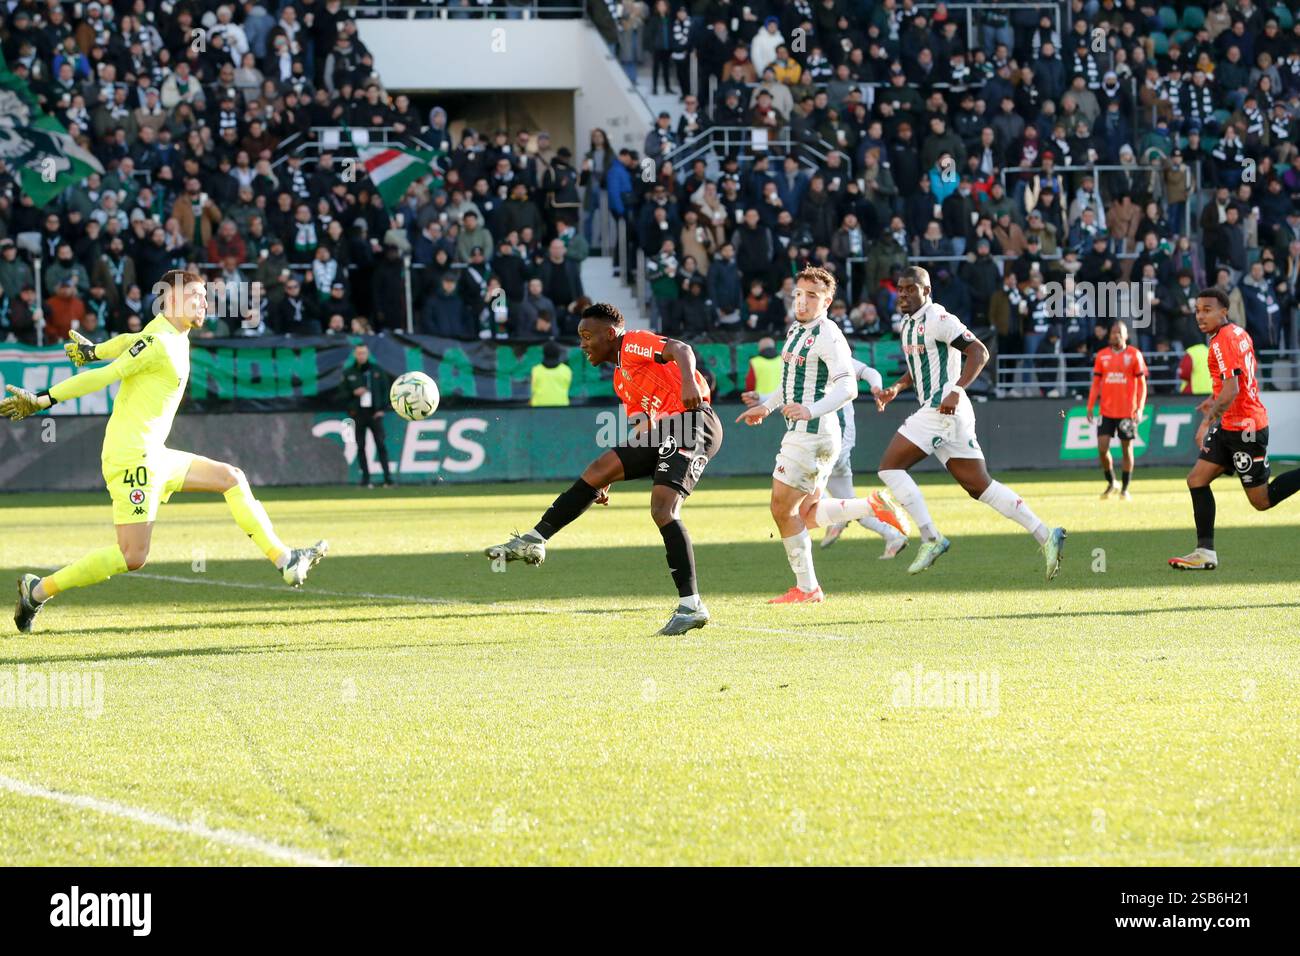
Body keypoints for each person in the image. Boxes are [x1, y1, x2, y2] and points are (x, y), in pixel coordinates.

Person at [2, 270, 328, 634]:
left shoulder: (169, 333)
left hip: (153, 453)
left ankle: (285, 560)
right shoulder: (159, 341)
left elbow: (127, 340)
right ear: (171, 299)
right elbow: (106, 376)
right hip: (132, 458)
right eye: (195, 296)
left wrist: (94, 349)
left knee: (231, 477)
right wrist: (45, 399)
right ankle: (38, 590)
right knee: (133, 557)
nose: (204, 302)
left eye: (205, 296)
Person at [485, 303, 723, 635]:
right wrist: (618, 469)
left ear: (610, 334)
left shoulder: (634, 343)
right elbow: (641, 426)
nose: (582, 344)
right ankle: (535, 539)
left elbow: (680, 349)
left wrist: (688, 383)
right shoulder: (620, 379)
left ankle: (692, 606)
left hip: (692, 423)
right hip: (663, 430)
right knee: (599, 470)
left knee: (663, 509)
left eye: (587, 336)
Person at [871, 267, 1067, 580]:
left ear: (927, 290)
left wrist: (956, 389)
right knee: (980, 486)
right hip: (948, 413)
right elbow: (919, 368)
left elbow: (980, 351)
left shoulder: (938, 317)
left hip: (941, 408)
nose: (904, 294)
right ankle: (1046, 535)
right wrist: (897, 387)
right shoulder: (908, 324)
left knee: (889, 468)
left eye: (911, 288)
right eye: (901, 289)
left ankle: (931, 538)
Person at [735, 267, 908, 604]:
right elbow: (789, 387)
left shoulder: (829, 334)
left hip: (812, 435)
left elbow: (847, 388)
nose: (802, 300)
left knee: (781, 510)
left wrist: (810, 410)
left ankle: (807, 587)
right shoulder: (796, 331)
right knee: (806, 514)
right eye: (799, 293)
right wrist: (766, 408)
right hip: (808, 434)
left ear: (827, 301)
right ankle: (869, 506)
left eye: (812, 295)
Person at [1168, 288, 1300, 570]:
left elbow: (1233, 388)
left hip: (1245, 429)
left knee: (1261, 501)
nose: (1200, 316)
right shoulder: (1238, 333)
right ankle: (1205, 552)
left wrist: (1206, 422)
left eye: (1207, 310)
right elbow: (1236, 381)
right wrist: (1214, 399)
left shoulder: (1221, 341)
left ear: (1223, 311)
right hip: (1232, 423)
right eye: (1198, 310)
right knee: (1197, 480)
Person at [1086, 321, 1147, 500]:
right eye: (1113, 332)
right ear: (1109, 335)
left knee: (1127, 450)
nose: (1115, 335)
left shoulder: (1134, 355)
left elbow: (1142, 384)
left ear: (1126, 335)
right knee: (1102, 448)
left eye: (1119, 332)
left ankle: (1125, 489)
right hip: (1106, 411)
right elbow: (1096, 383)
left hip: (1127, 412)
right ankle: (1112, 481)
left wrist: (1140, 408)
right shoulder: (1102, 356)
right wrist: (1090, 406)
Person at [339, 341, 393, 488]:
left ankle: (388, 478)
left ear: (367, 354)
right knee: (360, 446)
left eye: (364, 353)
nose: (361, 356)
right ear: (355, 355)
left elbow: (386, 391)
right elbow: (341, 395)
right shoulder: (349, 372)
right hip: (358, 414)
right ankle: (366, 479)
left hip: (374, 413)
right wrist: (353, 393)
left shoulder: (376, 371)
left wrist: (382, 409)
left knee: (381, 444)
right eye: (359, 353)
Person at [529, 341, 572, 406]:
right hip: (562, 407)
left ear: (543, 353)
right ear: (558, 353)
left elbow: (532, 390)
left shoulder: (535, 370)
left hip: (538, 409)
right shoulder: (566, 370)